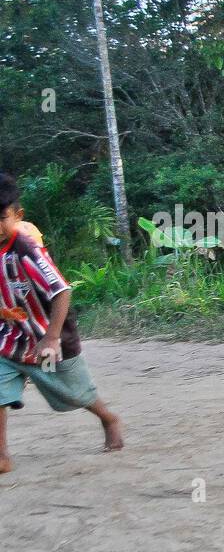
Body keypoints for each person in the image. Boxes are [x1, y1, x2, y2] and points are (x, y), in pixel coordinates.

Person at [0, 172, 123, 475]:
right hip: (10, 340)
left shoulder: (27, 250)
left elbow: (61, 291)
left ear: (18, 215)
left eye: (1, 217)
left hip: (48, 341)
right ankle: (2, 455)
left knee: (74, 392)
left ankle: (108, 418)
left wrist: (52, 338)